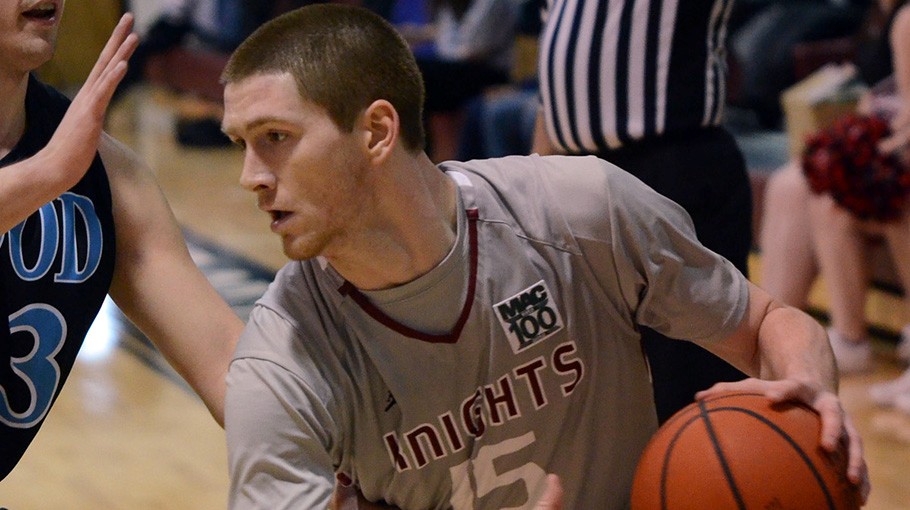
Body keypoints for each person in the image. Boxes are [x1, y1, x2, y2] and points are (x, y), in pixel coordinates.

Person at [220, 5, 868, 509]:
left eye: (275, 138)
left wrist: (808, 393)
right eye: (241, 144)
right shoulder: (279, 365)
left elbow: (768, 324)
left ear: (377, 131)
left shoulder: (581, 210)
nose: (250, 176)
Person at [0, 7, 242, 480]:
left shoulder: (102, 173)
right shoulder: (64, 163)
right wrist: (45, 174)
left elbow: (225, 364)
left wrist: (352, 459)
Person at [531, 0, 752, 424]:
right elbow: (555, 75)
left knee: (690, 380)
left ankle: (707, 488)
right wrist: (535, 182)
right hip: (577, 174)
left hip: (672, 165)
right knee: (599, 375)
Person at [759, 0, 910, 399]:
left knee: (868, 191)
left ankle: (848, 339)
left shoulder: (905, 20)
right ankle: (775, 337)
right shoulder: (878, 17)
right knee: (798, 182)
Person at [397, 0, 519, 162]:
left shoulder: (492, 3)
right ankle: (423, 152)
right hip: (458, 67)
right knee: (414, 71)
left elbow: (475, 48)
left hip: (489, 72)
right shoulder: (450, 6)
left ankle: (437, 155)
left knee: (426, 74)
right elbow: (446, 46)